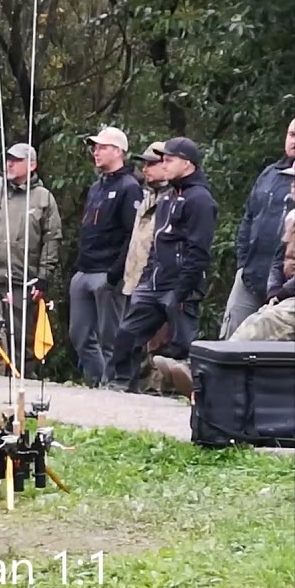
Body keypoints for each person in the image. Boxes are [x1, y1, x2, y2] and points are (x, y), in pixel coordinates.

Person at [157, 167, 295, 396]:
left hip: (291, 295)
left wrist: (281, 295)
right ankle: (214, 383)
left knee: (269, 322)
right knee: (254, 319)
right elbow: (278, 258)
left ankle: (204, 376)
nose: (293, 185)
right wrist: (274, 291)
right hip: (281, 289)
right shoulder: (292, 217)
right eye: (293, 180)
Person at [105, 137, 217, 392]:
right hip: (153, 282)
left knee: (182, 345)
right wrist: (146, 278)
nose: (164, 165)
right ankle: (120, 386)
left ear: (187, 164)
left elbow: (198, 251)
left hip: (181, 285)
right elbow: (157, 244)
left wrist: (181, 292)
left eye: (169, 160)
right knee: (127, 334)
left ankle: (198, 396)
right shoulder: (166, 198)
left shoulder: (200, 200)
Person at [0, 143, 62, 377]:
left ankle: (20, 378)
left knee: (17, 334)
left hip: (21, 278)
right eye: (7, 159)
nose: (9, 164)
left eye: (16, 160)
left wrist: (43, 277)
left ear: (32, 165)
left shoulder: (43, 198)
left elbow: (52, 239)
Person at [69, 126, 143, 387]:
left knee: (110, 336)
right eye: (95, 147)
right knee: (79, 335)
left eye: (101, 147)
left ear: (118, 151)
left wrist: (116, 272)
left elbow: (131, 235)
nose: (95, 152)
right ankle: (98, 380)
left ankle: (112, 386)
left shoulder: (129, 187)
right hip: (85, 268)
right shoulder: (96, 187)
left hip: (108, 272)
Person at [220, 117, 295, 338]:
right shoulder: (269, 174)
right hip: (252, 275)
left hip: (288, 284)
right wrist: (243, 263)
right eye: (292, 135)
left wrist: (283, 288)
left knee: (268, 349)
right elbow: (248, 217)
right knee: (230, 339)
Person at [120, 141, 173, 392]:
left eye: (152, 163)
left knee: (158, 343)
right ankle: (133, 389)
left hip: (158, 283)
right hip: (136, 281)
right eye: (144, 164)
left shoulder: (174, 199)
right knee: (133, 340)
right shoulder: (146, 197)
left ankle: (156, 393)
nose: (146, 169)